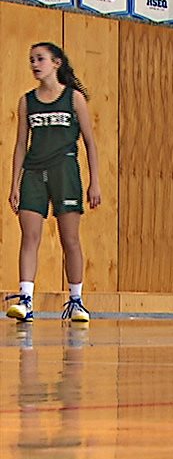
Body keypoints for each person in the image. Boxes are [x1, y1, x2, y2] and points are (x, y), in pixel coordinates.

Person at [6, 43, 101, 324]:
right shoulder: (27, 101)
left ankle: (76, 301)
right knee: (30, 236)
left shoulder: (74, 99)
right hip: (34, 173)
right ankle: (26, 300)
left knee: (69, 239)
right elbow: (21, 144)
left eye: (40, 59)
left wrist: (95, 182)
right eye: (31, 59)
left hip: (65, 171)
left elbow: (90, 143)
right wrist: (14, 183)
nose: (35, 64)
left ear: (56, 63)